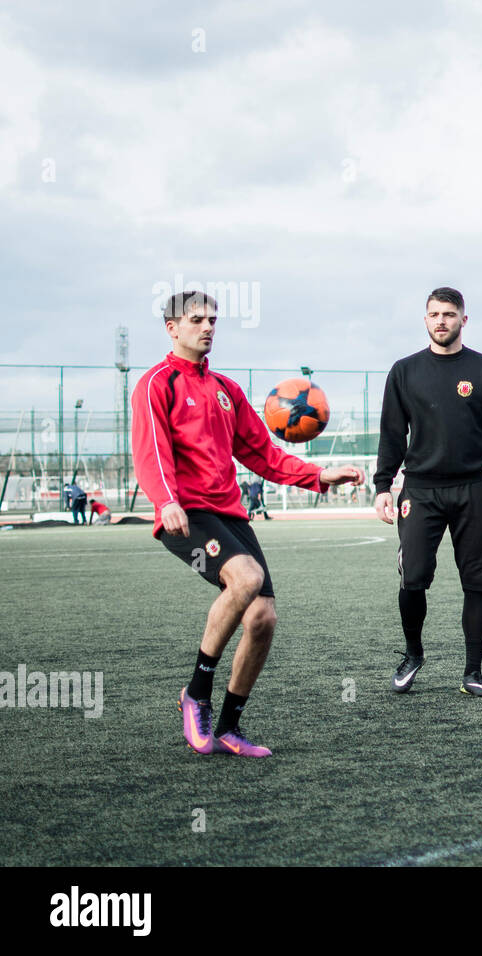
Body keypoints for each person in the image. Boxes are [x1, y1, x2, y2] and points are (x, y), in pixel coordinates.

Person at [132, 290, 363, 758]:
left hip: (230, 516)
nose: (208, 327)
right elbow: (150, 449)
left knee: (262, 618)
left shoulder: (226, 390)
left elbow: (263, 455)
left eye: (213, 319)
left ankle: (230, 728)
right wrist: (166, 501)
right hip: (186, 514)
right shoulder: (156, 384)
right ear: (172, 328)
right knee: (247, 578)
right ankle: (195, 694)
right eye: (196, 319)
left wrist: (318, 475)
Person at [374, 287, 482, 698]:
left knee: (476, 583)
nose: (441, 321)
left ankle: (473, 673)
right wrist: (382, 486)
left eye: (449, 314)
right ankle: (413, 654)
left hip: (472, 490)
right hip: (420, 490)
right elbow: (392, 434)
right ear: (425, 320)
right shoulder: (404, 371)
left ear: (464, 319)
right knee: (414, 579)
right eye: (433, 314)